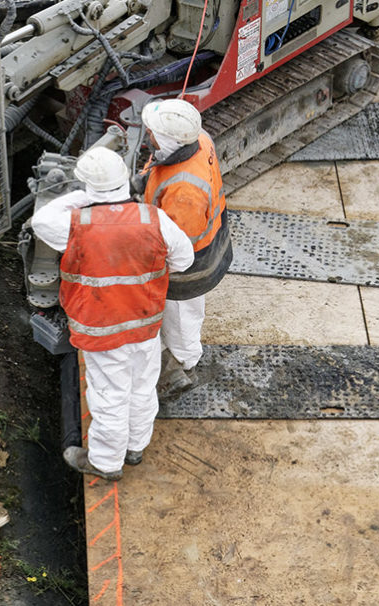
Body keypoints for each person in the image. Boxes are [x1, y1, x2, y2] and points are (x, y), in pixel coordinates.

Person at [32, 148, 193, 480]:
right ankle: (135, 447)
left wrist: (83, 196)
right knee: (142, 388)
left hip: (101, 331)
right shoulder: (153, 218)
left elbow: (40, 221)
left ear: (88, 186)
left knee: (109, 397)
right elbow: (184, 260)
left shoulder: (77, 224)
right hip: (145, 326)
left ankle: (106, 463)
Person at [138, 98, 233, 395]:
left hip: (191, 264)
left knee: (181, 315)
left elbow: (178, 249)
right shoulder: (198, 139)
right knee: (183, 313)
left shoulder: (184, 192)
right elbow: (159, 166)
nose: (148, 134)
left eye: (153, 132)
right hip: (208, 240)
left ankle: (185, 361)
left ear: (169, 140)